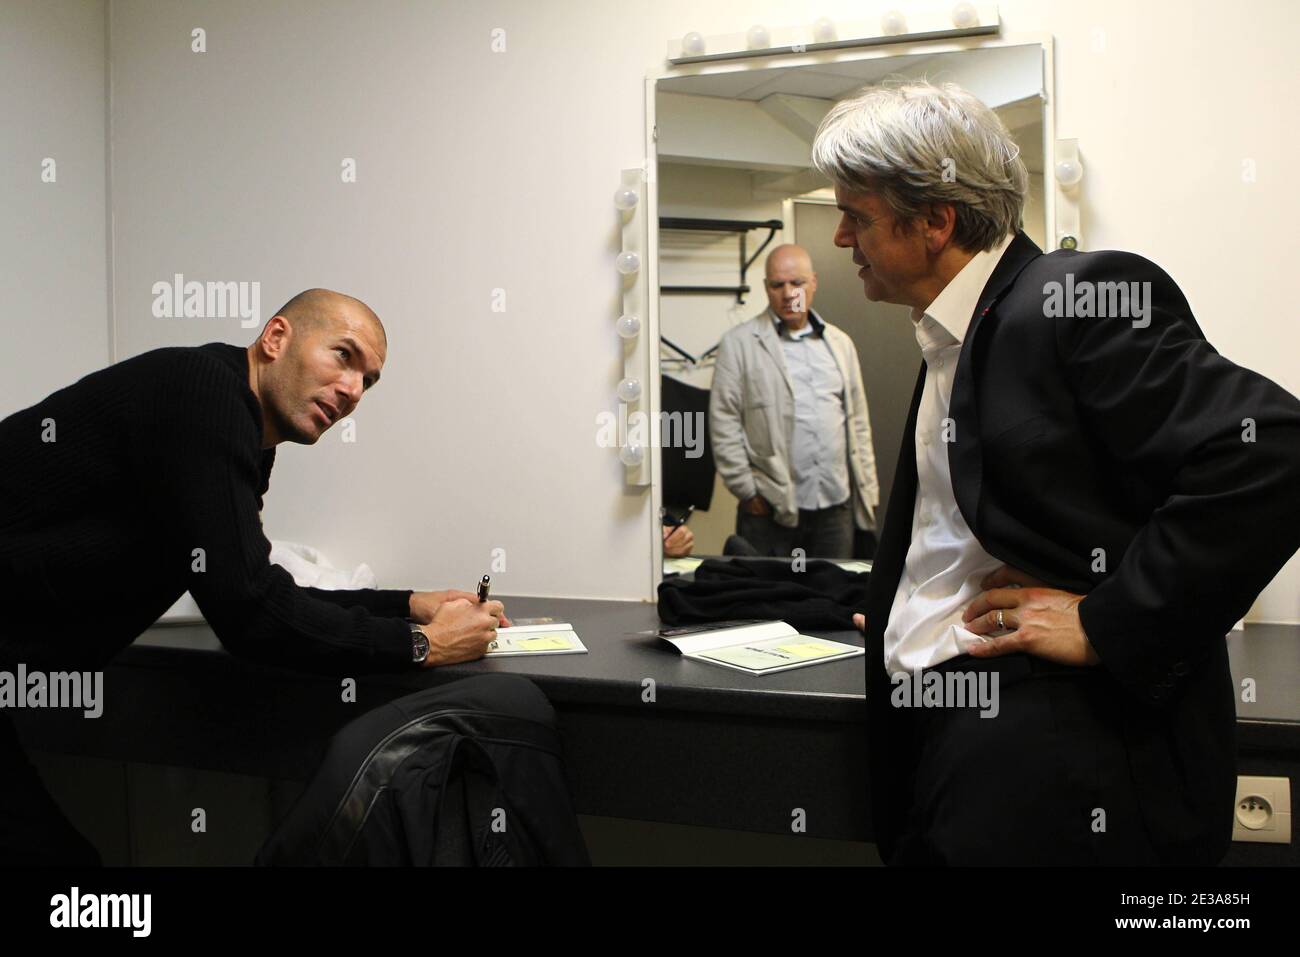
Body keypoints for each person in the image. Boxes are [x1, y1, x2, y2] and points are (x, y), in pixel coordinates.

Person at [810, 80, 1300, 865]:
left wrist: (1111, 622)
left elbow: (1270, 450)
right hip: (957, 737)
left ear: (934, 222)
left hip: (1062, 771)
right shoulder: (954, 335)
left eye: (856, 216)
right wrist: (906, 600)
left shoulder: (1074, 299)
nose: (840, 238)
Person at [0, 289, 517, 864]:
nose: (351, 391)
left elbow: (247, 581)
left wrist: (409, 604)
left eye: (367, 382)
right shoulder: (205, 393)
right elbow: (249, 613)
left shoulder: (237, 425)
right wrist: (424, 644)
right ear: (275, 339)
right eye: (343, 356)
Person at [709, 245, 879, 559]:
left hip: (835, 506)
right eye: (777, 285)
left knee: (833, 595)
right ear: (766, 289)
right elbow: (724, 422)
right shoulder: (739, 344)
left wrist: (867, 488)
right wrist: (747, 491)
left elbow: (858, 422)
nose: (788, 294)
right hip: (770, 509)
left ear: (813, 283)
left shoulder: (839, 344)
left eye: (796, 283)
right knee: (766, 598)